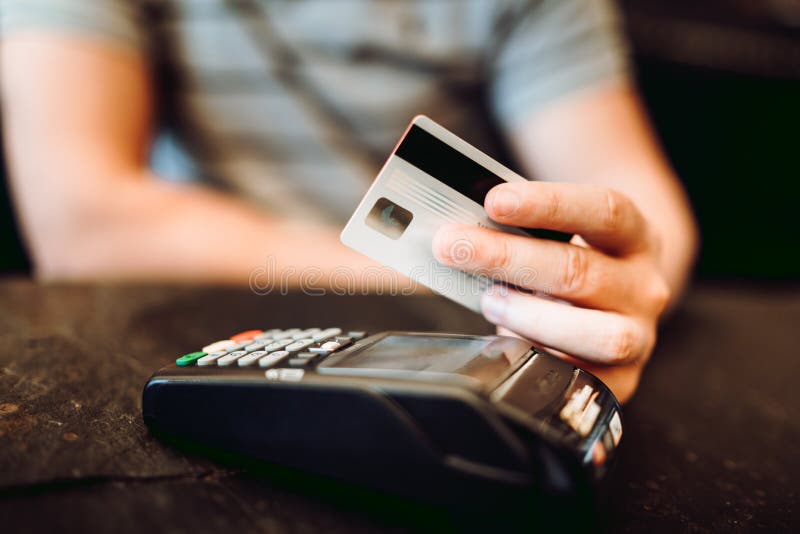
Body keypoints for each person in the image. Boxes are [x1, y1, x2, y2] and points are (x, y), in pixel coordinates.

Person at [0, 0, 697, 402]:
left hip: (463, 335)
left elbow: (642, 208)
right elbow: (81, 220)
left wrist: (611, 280)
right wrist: (457, 272)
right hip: (197, 329)